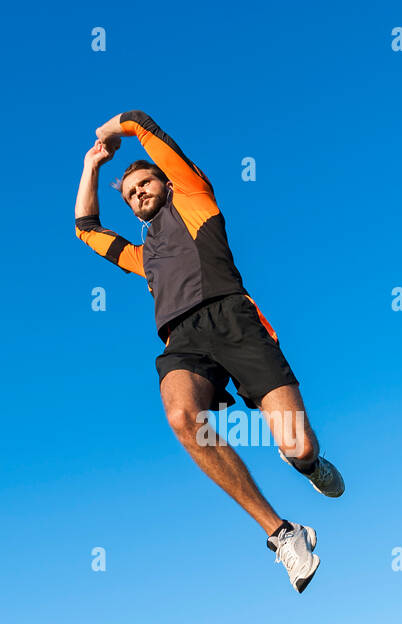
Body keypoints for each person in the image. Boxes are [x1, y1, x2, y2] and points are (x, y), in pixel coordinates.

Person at [74, 110, 344, 592]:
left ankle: (306, 464)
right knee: (182, 417)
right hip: (182, 342)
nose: (137, 192)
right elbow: (86, 228)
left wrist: (106, 135)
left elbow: (138, 122)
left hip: (236, 323)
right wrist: (93, 166)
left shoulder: (195, 198)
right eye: (131, 192)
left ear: (166, 182)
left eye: (144, 182)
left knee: (298, 445)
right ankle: (283, 534)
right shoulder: (143, 259)